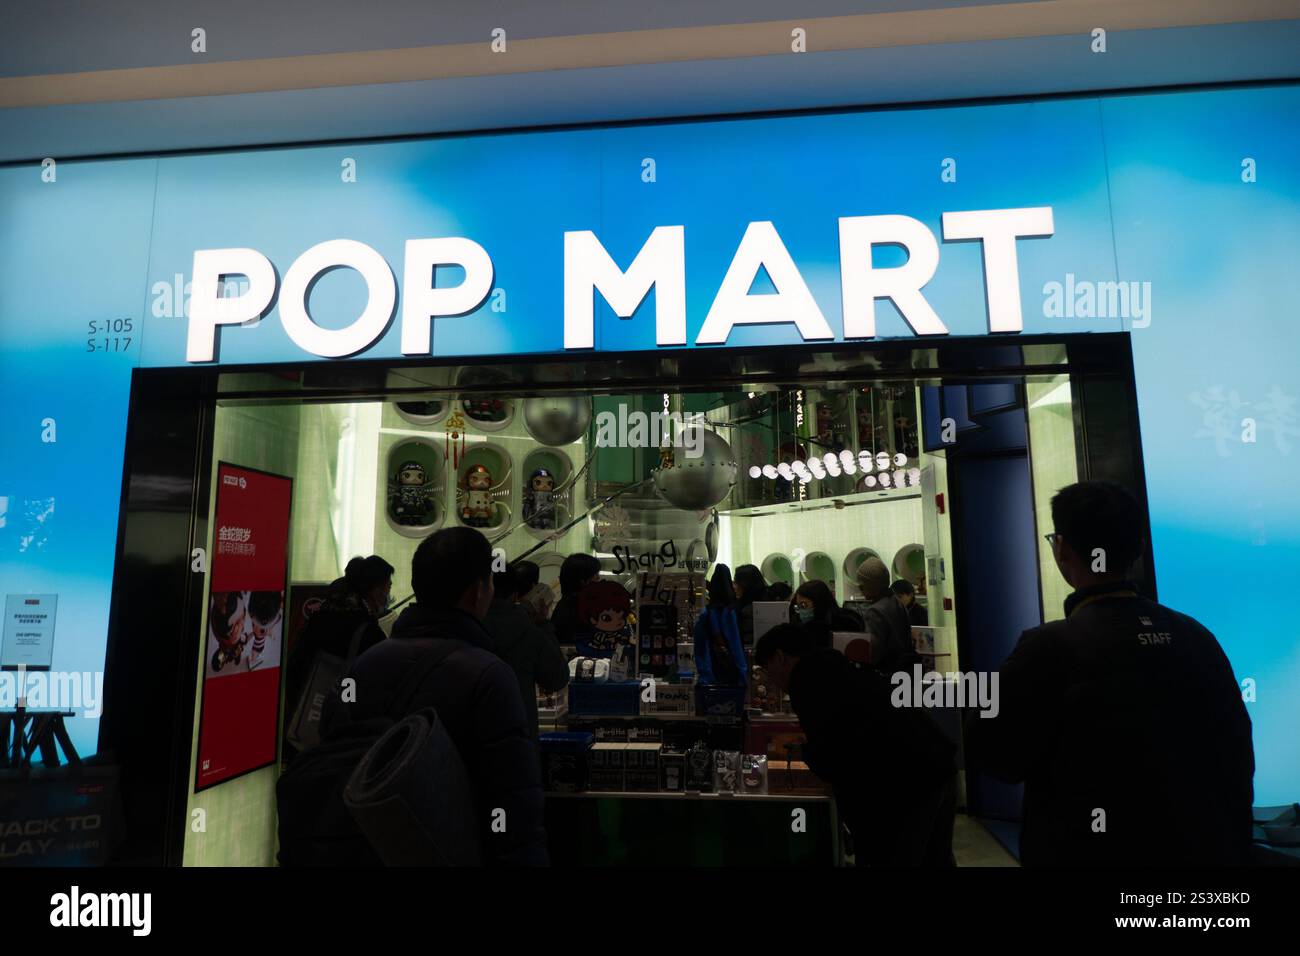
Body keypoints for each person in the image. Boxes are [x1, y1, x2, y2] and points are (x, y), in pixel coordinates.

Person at [965, 481, 1254, 866]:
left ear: (1062, 548)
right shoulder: (1196, 636)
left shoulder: (1047, 647)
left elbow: (994, 754)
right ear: (1138, 547)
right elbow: (1238, 756)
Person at [339, 527, 549, 866]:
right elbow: (510, 801)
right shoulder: (489, 675)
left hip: (374, 850)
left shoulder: (363, 666)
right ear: (477, 591)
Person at [755, 623, 956, 866]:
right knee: (934, 859)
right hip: (934, 760)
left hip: (905, 784)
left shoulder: (805, 681)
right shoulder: (838, 666)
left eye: (766, 669)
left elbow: (830, 758)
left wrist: (805, 751)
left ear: (780, 657)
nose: (770, 679)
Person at [285, 555, 394, 745]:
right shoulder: (367, 631)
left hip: (300, 719)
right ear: (375, 590)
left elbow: (296, 665)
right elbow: (357, 681)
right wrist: (345, 701)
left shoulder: (320, 616)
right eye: (388, 587)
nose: (388, 595)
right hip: (339, 734)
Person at [484, 564, 570, 739]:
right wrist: (544, 624)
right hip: (517, 740)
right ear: (515, 594)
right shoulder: (528, 632)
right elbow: (557, 678)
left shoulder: (453, 631)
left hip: (459, 751)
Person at [855, 557, 916, 674]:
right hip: (903, 670)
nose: (860, 590)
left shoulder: (875, 611)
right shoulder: (897, 603)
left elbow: (873, 653)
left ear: (871, 586)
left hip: (886, 672)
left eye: (862, 586)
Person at [693, 564, 747, 686]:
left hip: (709, 675)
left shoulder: (705, 614)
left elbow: (700, 648)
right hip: (732, 676)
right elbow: (736, 645)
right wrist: (742, 675)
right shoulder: (730, 613)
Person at [789, 580, 863, 648]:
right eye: (798, 607)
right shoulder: (801, 629)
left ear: (819, 603)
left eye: (804, 605)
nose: (801, 611)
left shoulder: (848, 623)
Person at [550, 553, 602, 647]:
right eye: (595, 575)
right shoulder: (578, 612)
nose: (599, 579)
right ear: (583, 582)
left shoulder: (568, 604)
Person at [733, 564, 768, 648]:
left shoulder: (745, 609)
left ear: (745, 585)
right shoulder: (767, 602)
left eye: (736, 582)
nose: (734, 587)